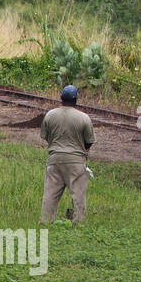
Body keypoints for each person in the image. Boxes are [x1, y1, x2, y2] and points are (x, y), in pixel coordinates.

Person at [40, 85, 96, 225]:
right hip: (76, 160)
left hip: (54, 159)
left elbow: (46, 136)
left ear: (61, 98)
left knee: (50, 194)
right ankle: (78, 223)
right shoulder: (83, 118)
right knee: (78, 195)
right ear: (76, 100)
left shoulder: (50, 115)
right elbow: (89, 142)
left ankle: (46, 222)